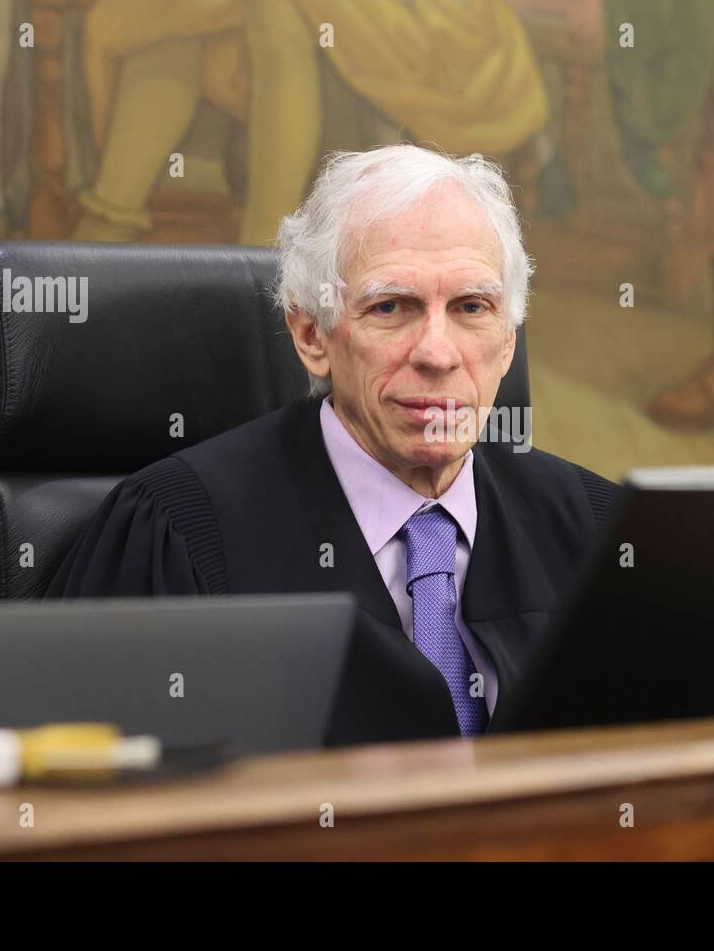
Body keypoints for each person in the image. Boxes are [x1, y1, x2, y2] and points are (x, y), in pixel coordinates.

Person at [48, 144, 619, 746]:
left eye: (471, 307)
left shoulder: (594, 532)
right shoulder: (179, 532)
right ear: (311, 335)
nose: (438, 353)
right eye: (391, 307)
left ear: (507, 342)